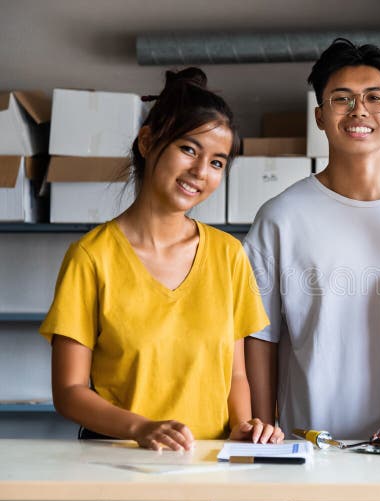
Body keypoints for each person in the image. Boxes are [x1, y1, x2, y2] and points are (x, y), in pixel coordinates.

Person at [40, 68, 283, 451]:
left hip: (210, 463)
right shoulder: (91, 257)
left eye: (218, 162)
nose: (201, 172)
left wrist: (242, 426)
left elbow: (235, 374)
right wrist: (140, 429)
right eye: (189, 149)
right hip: (117, 463)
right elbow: (69, 390)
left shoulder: (229, 255)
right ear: (148, 141)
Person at [244, 38, 380, 439]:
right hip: (313, 437)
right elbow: (260, 336)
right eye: (342, 99)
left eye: (374, 98)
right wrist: (264, 425)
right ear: (320, 116)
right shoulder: (281, 218)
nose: (359, 110)